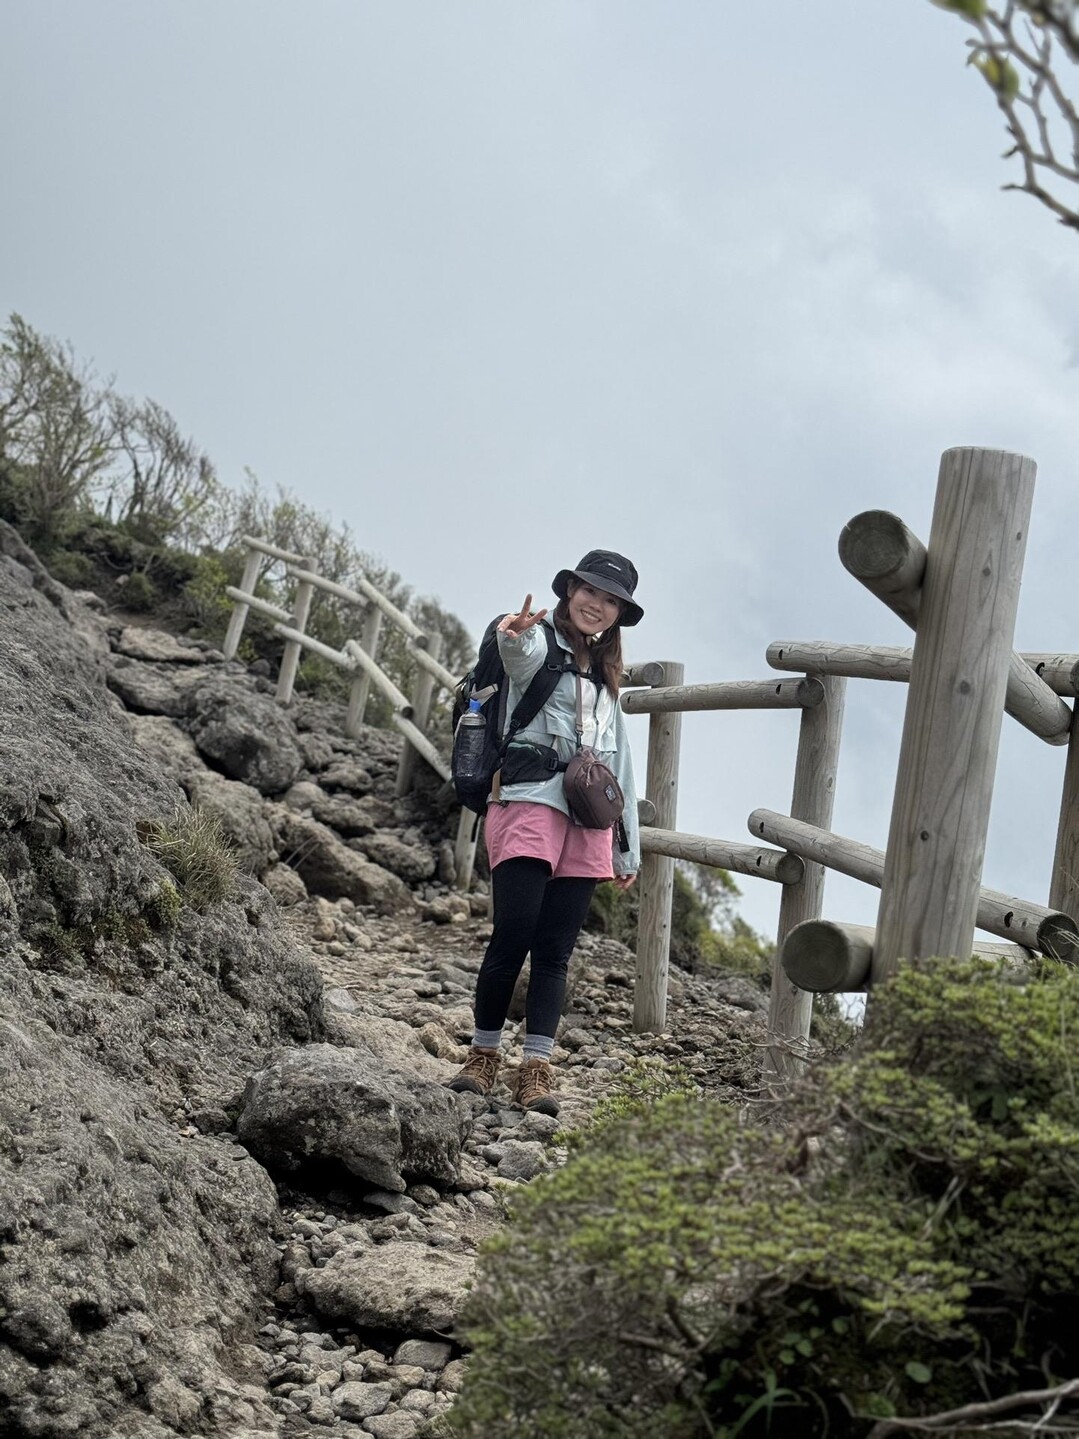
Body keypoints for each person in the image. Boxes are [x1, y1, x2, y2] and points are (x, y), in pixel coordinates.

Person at [447, 549, 643, 1117]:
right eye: (591, 591)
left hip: (588, 823)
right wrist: (512, 635)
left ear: (618, 614)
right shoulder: (540, 649)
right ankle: (483, 1055)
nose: (597, 606)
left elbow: (622, 765)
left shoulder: (608, 683)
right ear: (570, 590)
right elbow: (518, 652)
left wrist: (627, 847)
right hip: (528, 801)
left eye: (611, 600)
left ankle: (535, 1065)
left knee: (556, 950)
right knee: (515, 931)